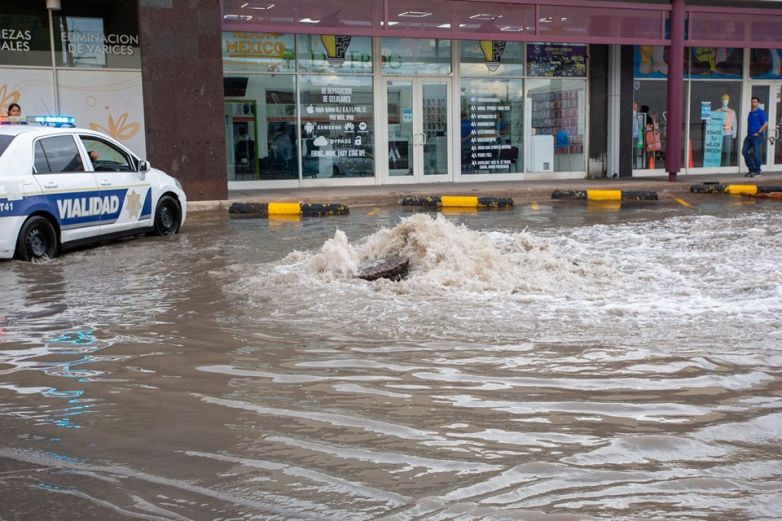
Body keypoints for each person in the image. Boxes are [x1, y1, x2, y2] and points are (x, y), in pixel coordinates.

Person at [742, 96, 768, 177]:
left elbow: (766, 123)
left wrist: (759, 132)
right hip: (749, 136)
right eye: (752, 101)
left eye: (755, 101)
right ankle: (751, 169)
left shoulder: (761, 112)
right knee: (744, 151)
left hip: (757, 137)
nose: (753, 103)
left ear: (758, 103)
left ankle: (757, 171)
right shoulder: (750, 113)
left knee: (756, 154)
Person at [718, 94, 737, 166]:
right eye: (724, 100)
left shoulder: (732, 111)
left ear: (728, 101)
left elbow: (735, 123)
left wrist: (734, 133)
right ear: (721, 101)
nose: (725, 102)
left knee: (728, 151)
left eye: (726, 100)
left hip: (728, 133)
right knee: (719, 150)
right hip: (719, 133)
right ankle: (719, 164)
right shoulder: (718, 111)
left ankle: (727, 165)